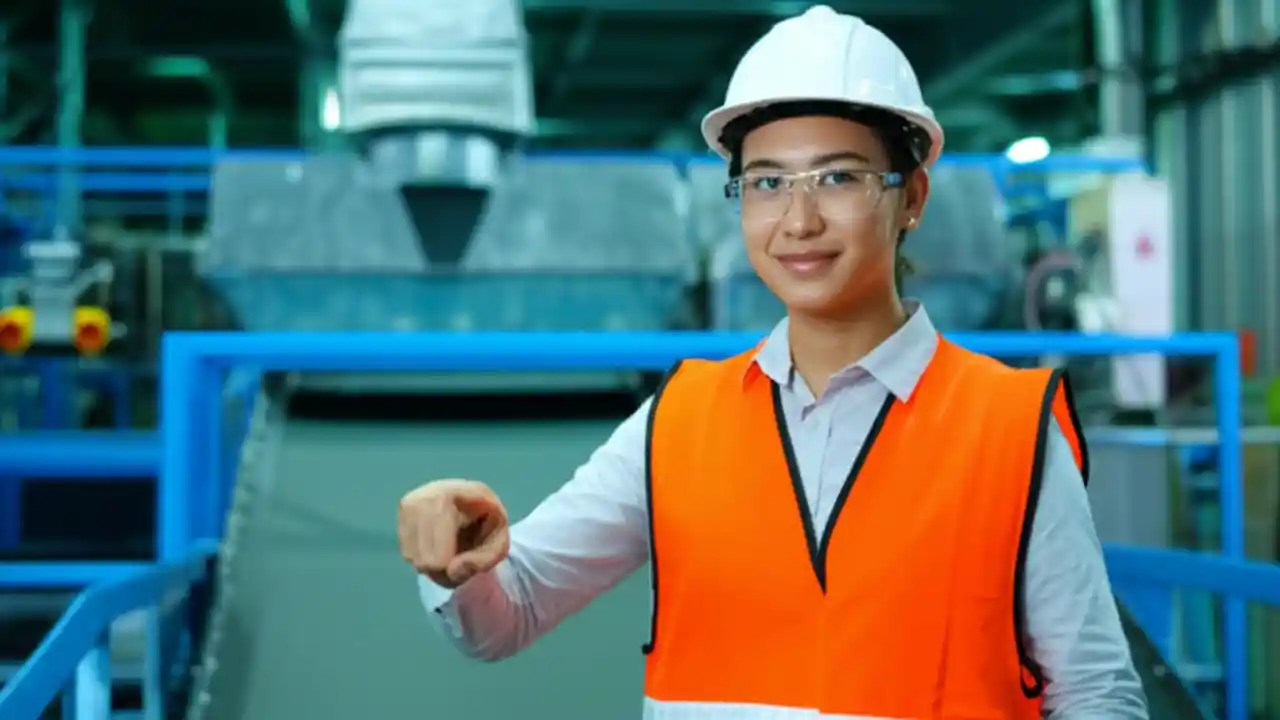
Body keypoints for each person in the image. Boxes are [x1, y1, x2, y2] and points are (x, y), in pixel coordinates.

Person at [397, 6, 1149, 719]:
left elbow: (1096, 691)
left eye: (838, 177)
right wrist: (459, 562)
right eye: (767, 183)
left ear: (911, 195)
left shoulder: (1009, 429)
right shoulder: (678, 423)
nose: (799, 220)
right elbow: (507, 615)